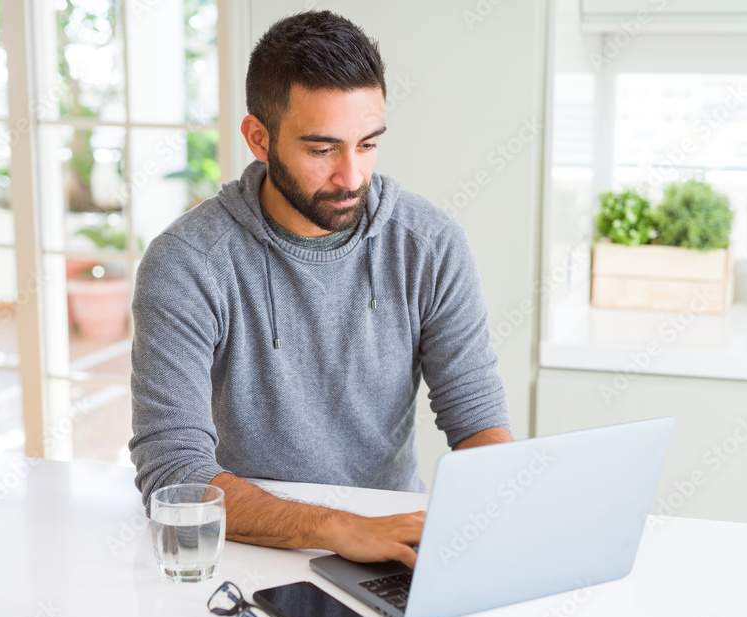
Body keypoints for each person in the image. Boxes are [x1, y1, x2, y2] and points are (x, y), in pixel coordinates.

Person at [129, 10, 512, 570]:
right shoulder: (187, 264)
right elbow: (175, 474)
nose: (352, 177)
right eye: (322, 149)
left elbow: (476, 418)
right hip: (248, 545)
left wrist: (506, 511)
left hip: (389, 542)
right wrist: (336, 529)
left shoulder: (429, 245)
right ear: (259, 138)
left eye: (368, 144)